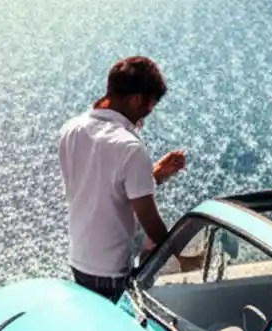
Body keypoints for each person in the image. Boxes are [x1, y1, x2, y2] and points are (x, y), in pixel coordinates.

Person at [58, 55, 187, 299]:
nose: (147, 114)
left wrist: (155, 176)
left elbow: (103, 186)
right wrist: (180, 253)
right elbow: (148, 217)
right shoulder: (129, 147)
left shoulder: (72, 128)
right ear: (137, 99)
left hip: (80, 261)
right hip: (112, 272)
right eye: (149, 106)